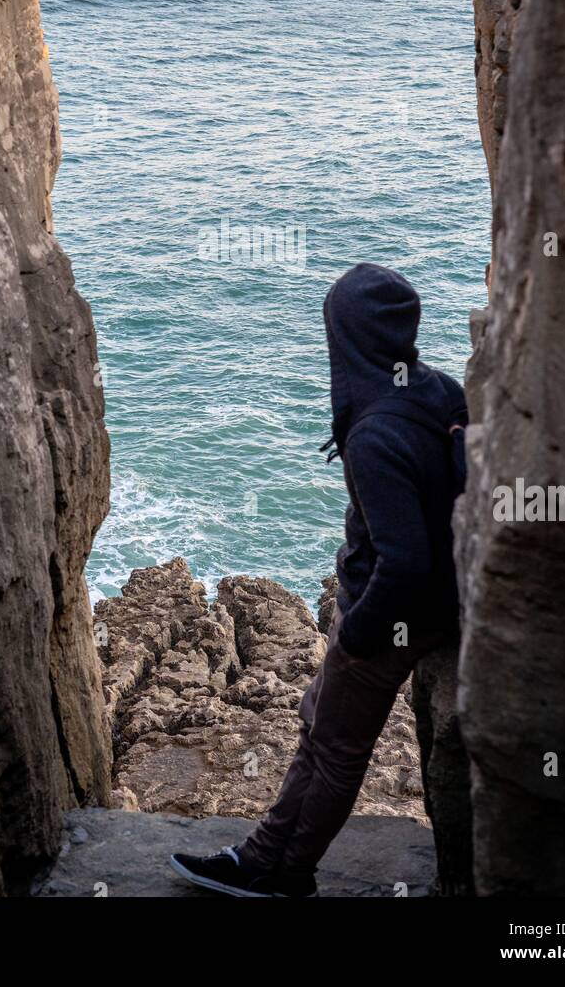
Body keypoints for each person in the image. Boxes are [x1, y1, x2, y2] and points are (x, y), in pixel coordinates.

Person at [170, 262, 467, 897]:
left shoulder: (374, 433)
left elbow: (404, 558)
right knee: (318, 728)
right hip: (439, 604)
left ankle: (284, 872)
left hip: (386, 615)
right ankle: (265, 855)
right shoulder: (439, 392)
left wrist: (359, 632)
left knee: (335, 749)